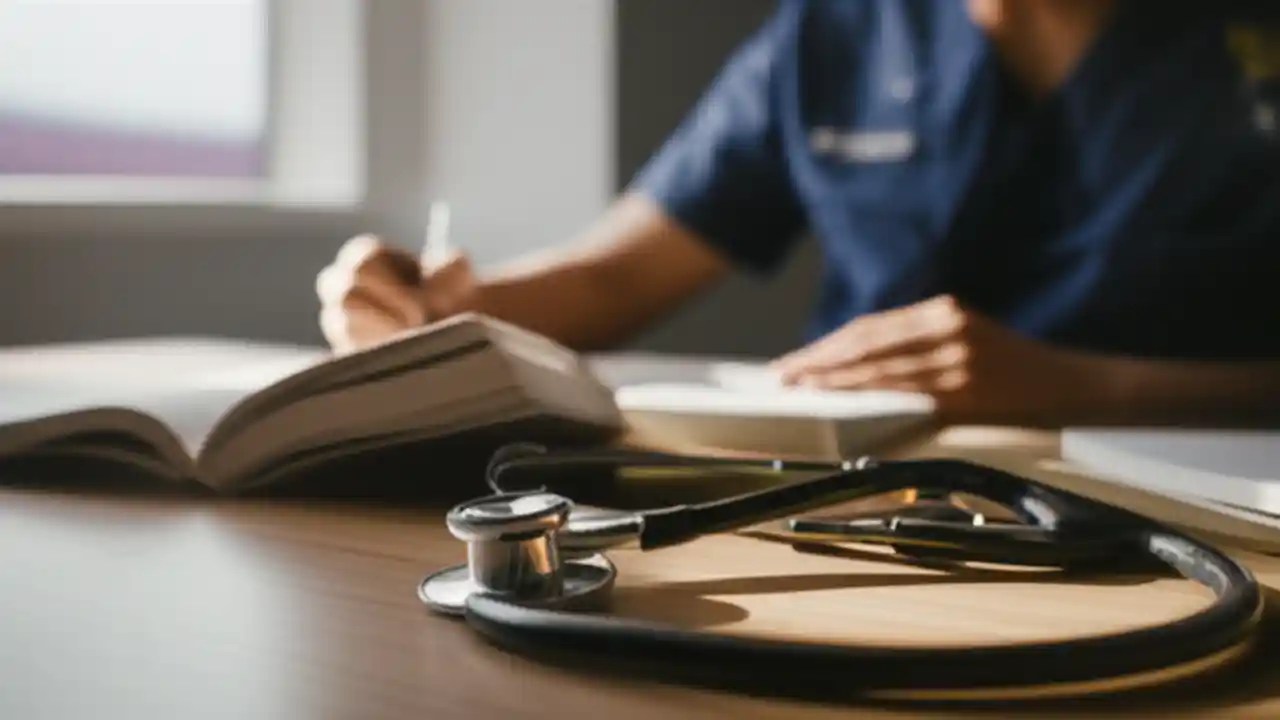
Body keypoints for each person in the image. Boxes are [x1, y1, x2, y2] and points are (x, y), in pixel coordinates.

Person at [316, 0, 1280, 424]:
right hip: (855, 511)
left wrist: (1085, 387)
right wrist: (436, 310)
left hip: (1199, 519)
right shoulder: (837, 31)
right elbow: (616, 277)